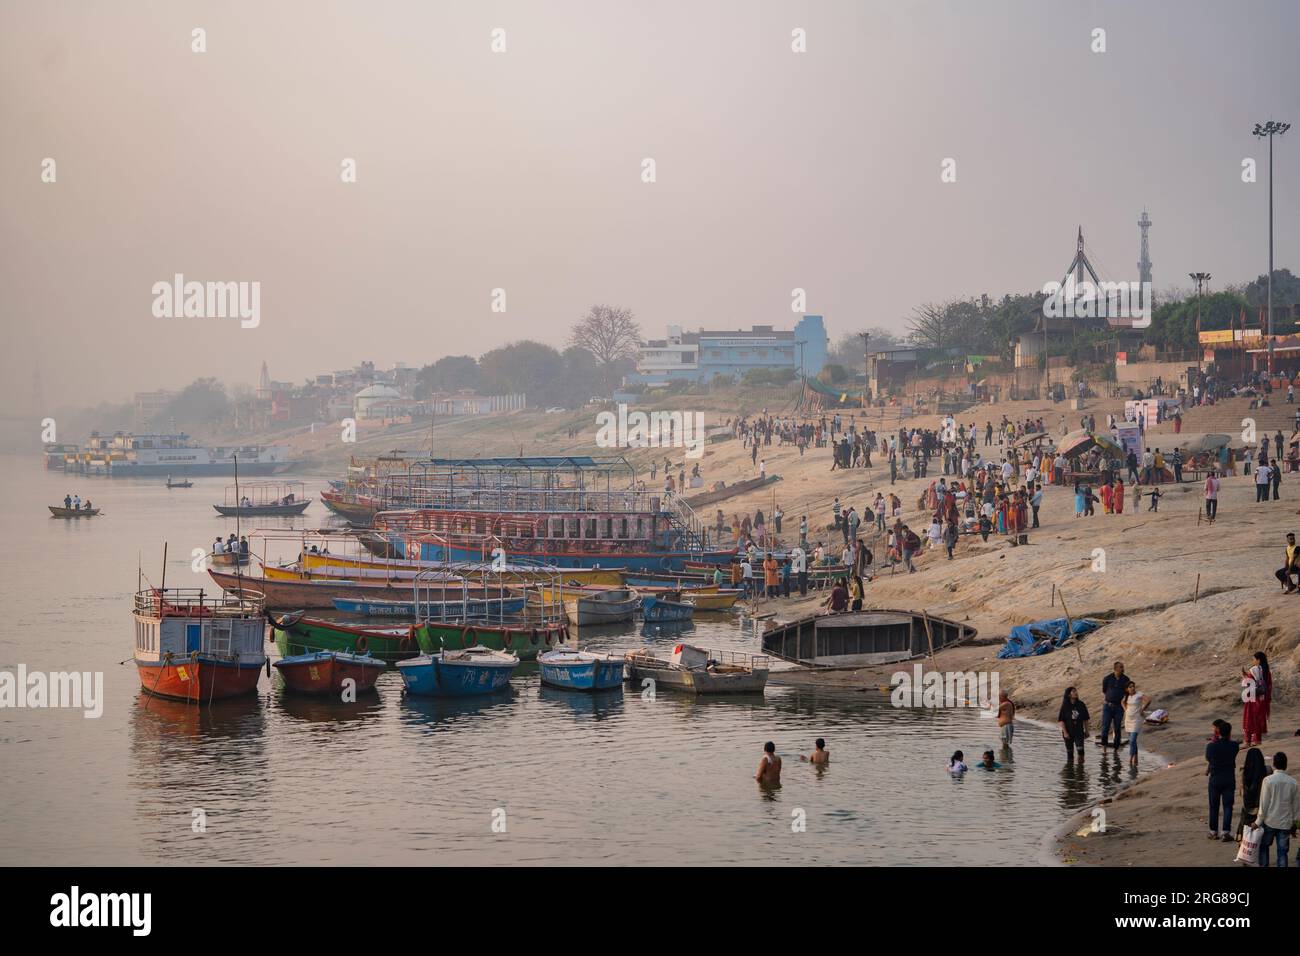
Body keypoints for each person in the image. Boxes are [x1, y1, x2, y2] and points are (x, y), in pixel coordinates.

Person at [1255, 752, 1298, 867]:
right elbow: (1296, 806)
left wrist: (1257, 822)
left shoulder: (1268, 780)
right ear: (1286, 764)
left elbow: (1263, 804)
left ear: (1274, 764)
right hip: (1285, 823)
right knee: (1282, 852)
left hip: (1270, 821)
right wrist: (1294, 823)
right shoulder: (1293, 782)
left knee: (1264, 848)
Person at [1206, 720, 1241, 841]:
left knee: (1214, 806)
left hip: (1215, 779)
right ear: (1229, 732)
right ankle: (1225, 832)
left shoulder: (1211, 746)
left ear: (1218, 732)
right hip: (1229, 779)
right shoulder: (1234, 746)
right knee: (1227, 806)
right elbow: (1234, 750)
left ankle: (1213, 831)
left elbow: (1208, 758)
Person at [1238, 747, 1270, 839]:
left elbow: (1241, 793)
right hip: (1262, 809)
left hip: (1247, 809)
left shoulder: (1244, 772)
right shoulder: (1267, 771)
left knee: (1247, 841)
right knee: (1262, 842)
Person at [1242, 651, 1272, 748]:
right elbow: (1269, 685)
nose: (1253, 661)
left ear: (1258, 660)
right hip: (1262, 699)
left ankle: (1247, 741)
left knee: (1249, 718)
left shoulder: (1254, 670)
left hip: (1253, 698)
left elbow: (1249, 682)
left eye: (1254, 659)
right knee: (1258, 719)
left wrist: (1244, 676)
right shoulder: (1267, 671)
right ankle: (1257, 740)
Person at [1100, 661, 1132, 751]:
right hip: (1108, 706)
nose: (1123, 669)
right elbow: (1104, 690)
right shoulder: (1107, 679)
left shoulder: (1126, 679)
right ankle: (1104, 747)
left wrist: (1124, 702)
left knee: (1117, 728)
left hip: (1119, 707)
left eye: (1123, 667)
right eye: (1121, 667)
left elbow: (1128, 692)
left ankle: (1116, 748)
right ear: (1115, 669)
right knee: (1105, 726)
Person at [1122, 680, 1152, 768]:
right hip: (1128, 719)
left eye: (1133, 686)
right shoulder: (1126, 696)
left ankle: (1131, 758)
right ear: (1127, 689)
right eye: (1130, 687)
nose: (1132, 688)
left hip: (1136, 720)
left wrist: (1142, 709)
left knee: (1132, 740)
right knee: (1133, 741)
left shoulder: (1139, 694)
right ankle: (1136, 757)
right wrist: (1125, 710)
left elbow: (1148, 700)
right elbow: (1122, 702)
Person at [1058, 686, 1091, 762]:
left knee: (1081, 752)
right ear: (1069, 695)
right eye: (1073, 691)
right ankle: (1070, 772)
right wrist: (1065, 732)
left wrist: (1087, 731)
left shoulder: (1081, 705)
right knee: (1070, 754)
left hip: (1079, 732)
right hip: (1068, 732)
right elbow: (1061, 720)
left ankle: (1080, 771)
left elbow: (1086, 719)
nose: (1076, 692)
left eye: (1076, 691)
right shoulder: (1065, 706)